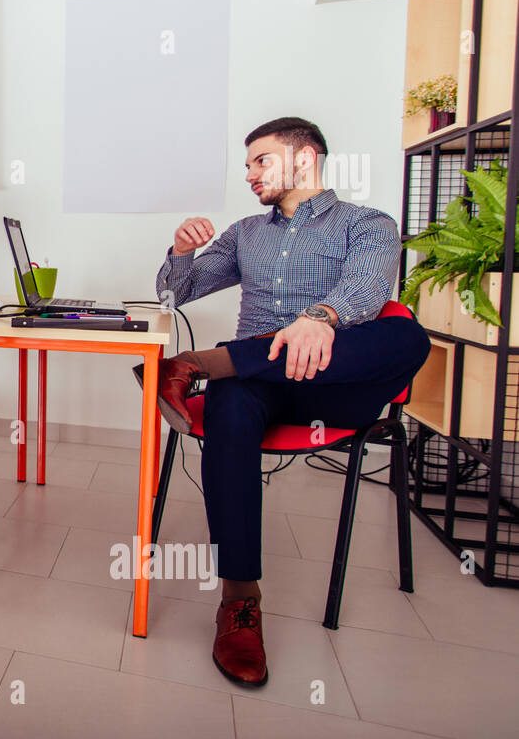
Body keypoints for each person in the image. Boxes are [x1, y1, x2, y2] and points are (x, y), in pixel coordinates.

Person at [142, 116, 429, 687]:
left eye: (260, 161)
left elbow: (370, 292)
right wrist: (178, 253)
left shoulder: (368, 224)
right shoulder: (248, 232)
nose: (249, 174)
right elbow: (176, 295)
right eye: (247, 163)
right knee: (229, 405)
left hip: (335, 384)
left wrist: (319, 319)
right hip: (261, 389)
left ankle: (199, 365)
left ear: (305, 158)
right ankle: (240, 604)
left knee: (408, 336)